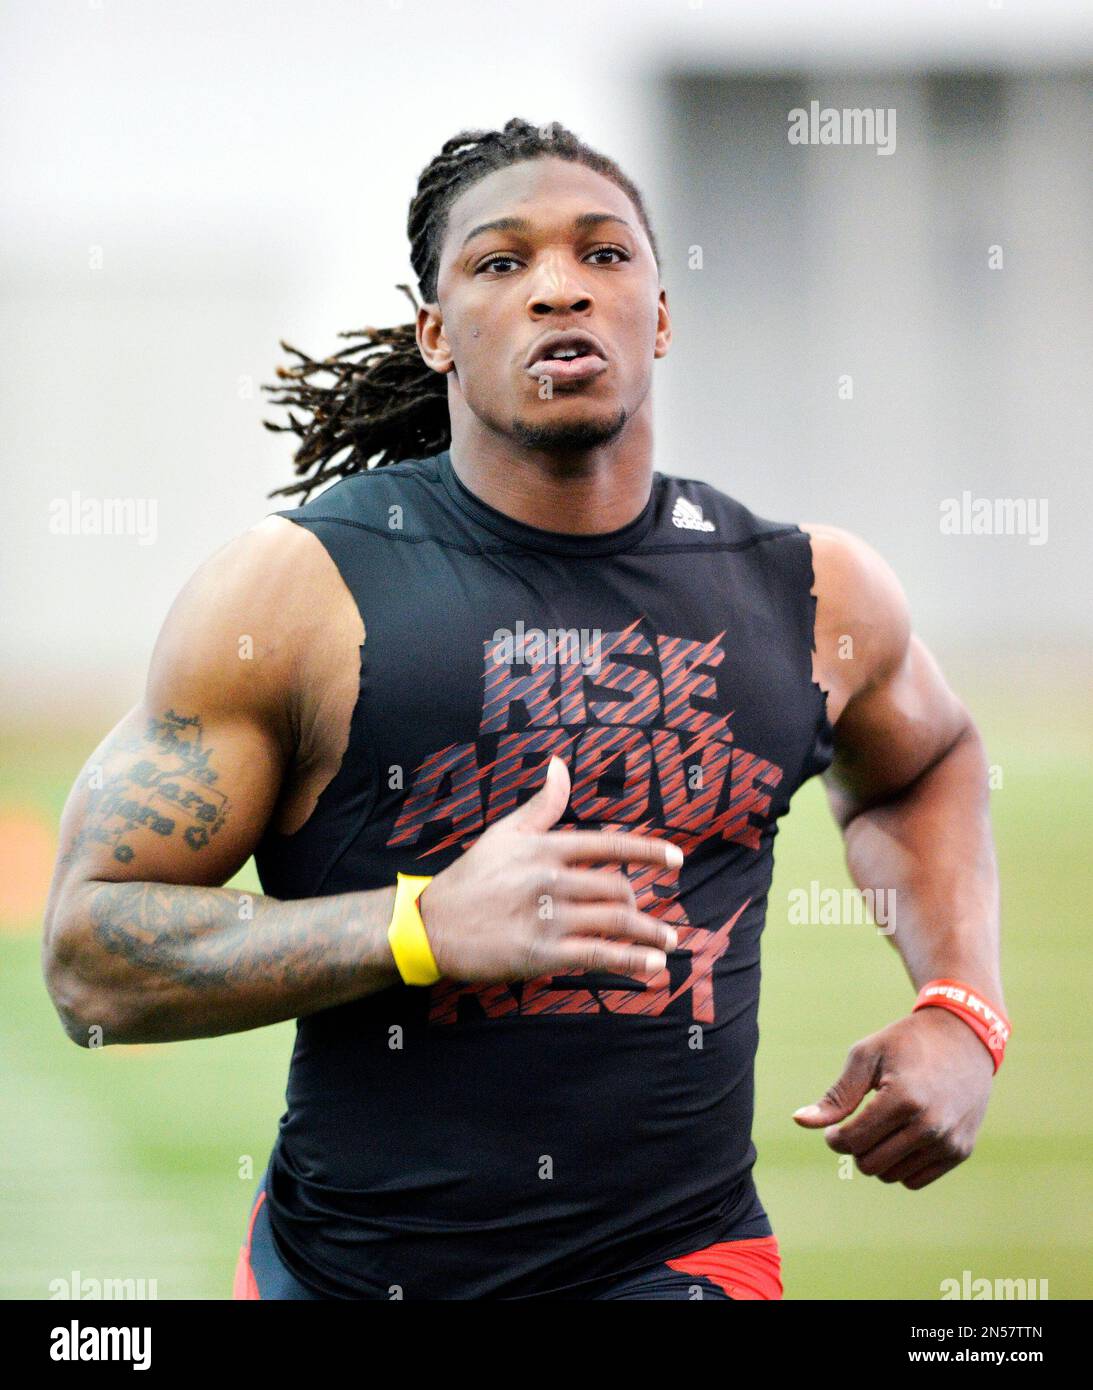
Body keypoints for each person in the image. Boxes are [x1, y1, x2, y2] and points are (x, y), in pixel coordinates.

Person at [43, 118, 1009, 1301]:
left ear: (659, 313)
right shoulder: (297, 590)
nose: (561, 286)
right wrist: (418, 929)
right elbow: (90, 959)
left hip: (674, 1263)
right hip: (343, 1271)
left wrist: (962, 1006)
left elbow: (927, 761)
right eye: (502, 262)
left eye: (605, 255)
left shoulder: (805, 590)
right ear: (436, 333)